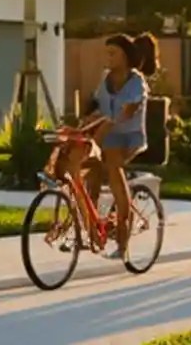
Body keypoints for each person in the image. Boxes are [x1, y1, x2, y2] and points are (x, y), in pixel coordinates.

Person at [71, 32, 158, 260]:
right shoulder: (106, 79)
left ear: (125, 57)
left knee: (112, 166)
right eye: (106, 52)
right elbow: (100, 106)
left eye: (113, 53)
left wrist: (106, 124)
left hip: (128, 137)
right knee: (90, 174)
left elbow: (127, 112)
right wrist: (88, 122)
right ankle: (91, 234)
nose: (107, 57)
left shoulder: (135, 81)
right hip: (106, 135)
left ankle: (122, 240)